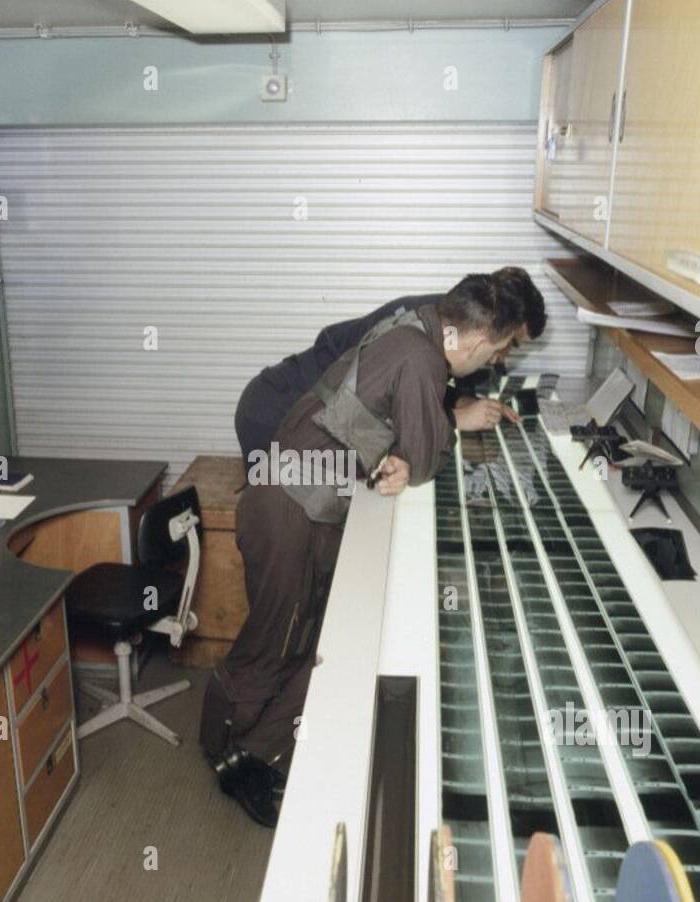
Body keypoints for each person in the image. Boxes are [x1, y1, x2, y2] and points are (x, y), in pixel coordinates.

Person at [202, 273, 525, 826]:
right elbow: (423, 455)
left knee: (309, 635)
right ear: (472, 341)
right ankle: (232, 756)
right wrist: (416, 454)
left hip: (292, 501)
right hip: (290, 513)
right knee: (279, 641)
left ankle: (248, 749)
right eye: (495, 353)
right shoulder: (424, 360)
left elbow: (375, 422)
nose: (491, 364)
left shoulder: (410, 328)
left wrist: (397, 453)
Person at [233, 266, 547, 472]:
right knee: (295, 527)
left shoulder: (451, 324)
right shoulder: (416, 330)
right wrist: (454, 419)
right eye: (509, 343)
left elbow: (415, 387)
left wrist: (459, 401)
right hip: (278, 409)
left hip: (309, 408)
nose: (503, 356)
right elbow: (370, 410)